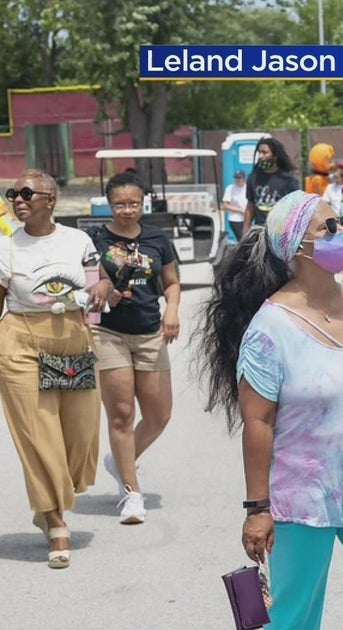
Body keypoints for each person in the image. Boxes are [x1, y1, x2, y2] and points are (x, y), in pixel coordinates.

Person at [193, 191, 343, 629]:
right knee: (294, 620)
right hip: (302, 502)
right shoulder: (269, 330)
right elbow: (257, 422)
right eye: (329, 227)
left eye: (340, 222)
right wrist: (257, 508)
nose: (342, 232)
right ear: (296, 248)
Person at [0, 169, 116, 569]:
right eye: (13, 193)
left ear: (50, 199)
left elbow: (100, 285)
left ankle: (53, 496)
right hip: (19, 341)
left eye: (27, 192)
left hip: (72, 338)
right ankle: (54, 522)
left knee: (81, 437)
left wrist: (102, 288)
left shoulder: (78, 240)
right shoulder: (5, 247)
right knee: (38, 434)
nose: (18, 199)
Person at [88, 172, 181, 525]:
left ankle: (120, 459)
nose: (127, 210)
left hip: (150, 332)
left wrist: (171, 311)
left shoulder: (158, 238)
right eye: (119, 204)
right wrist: (103, 290)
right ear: (108, 205)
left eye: (134, 203)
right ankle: (131, 493)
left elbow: (171, 283)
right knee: (122, 414)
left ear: (143, 202)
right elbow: (88, 282)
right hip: (108, 333)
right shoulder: (95, 239)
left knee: (159, 415)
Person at [245, 137, 301, 227]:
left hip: (280, 232)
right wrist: (245, 230)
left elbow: (296, 209)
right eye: (259, 152)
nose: (260, 156)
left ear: (275, 156)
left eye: (264, 152)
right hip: (260, 231)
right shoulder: (253, 178)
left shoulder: (288, 181)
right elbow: (250, 206)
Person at [223, 170, 248, 240]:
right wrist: (240, 210)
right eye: (236, 178)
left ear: (244, 178)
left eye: (239, 178)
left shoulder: (248, 187)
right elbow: (225, 206)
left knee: (248, 239)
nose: (237, 180)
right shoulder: (230, 188)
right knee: (241, 239)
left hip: (247, 218)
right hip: (235, 219)